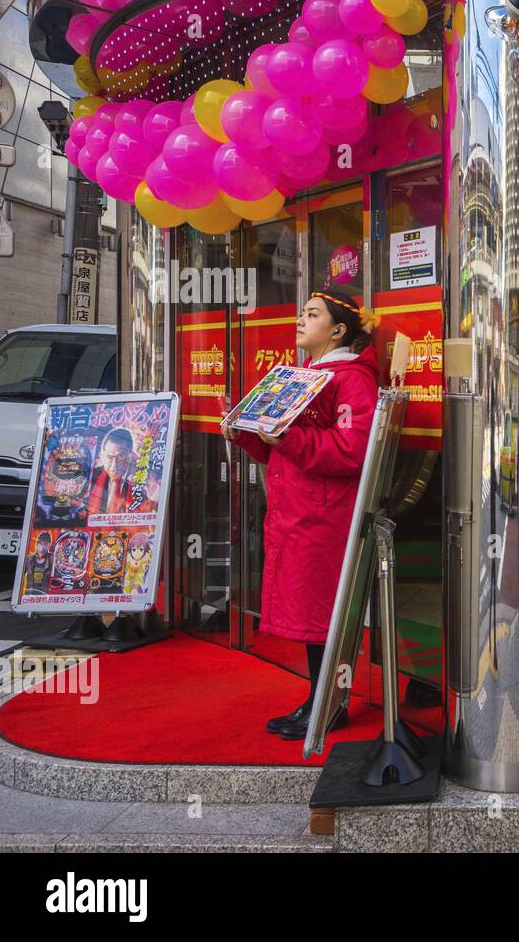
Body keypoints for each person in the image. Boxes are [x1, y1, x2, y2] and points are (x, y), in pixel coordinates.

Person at [222, 289, 380, 741]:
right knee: (314, 617)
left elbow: (352, 451)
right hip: (298, 513)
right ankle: (320, 701)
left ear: (337, 330)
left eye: (312, 314)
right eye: (301, 312)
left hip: (325, 517)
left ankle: (328, 704)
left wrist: (283, 440)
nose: (300, 320)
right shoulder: (302, 375)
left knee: (324, 615)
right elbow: (277, 448)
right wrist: (246, 434)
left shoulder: (352, 379)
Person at [86, 428, 135, 515]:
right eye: (109, 457)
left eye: (121, 457)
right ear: (102, 455)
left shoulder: (141, 482)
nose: (114, 466)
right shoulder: (90, 476)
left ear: (130, 456)